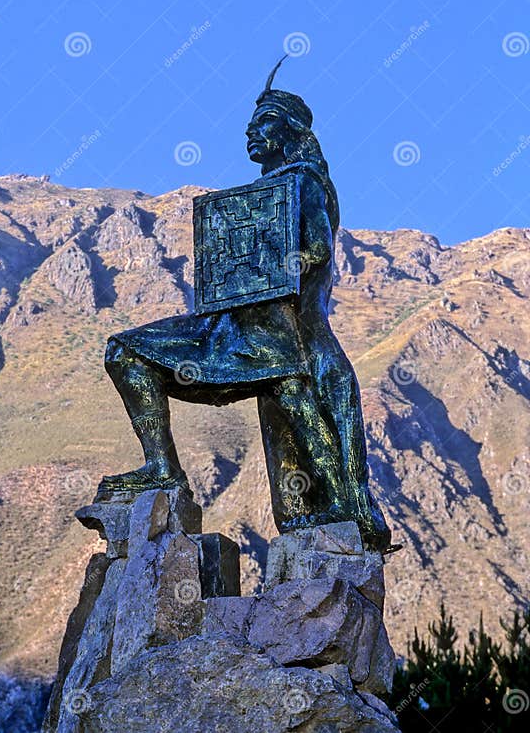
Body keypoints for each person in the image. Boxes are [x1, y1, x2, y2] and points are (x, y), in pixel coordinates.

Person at [101, 57, 391, 552]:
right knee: (124, 352)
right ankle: (163, 470)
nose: (251, 133)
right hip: (238, 331)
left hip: (283, 340)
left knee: (310, 457)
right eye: (249, 125)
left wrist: (265, 273)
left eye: (264, 123)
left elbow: (315, 250)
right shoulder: (262, 193)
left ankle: (339, 514)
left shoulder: (305, 183)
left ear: (291, 129)